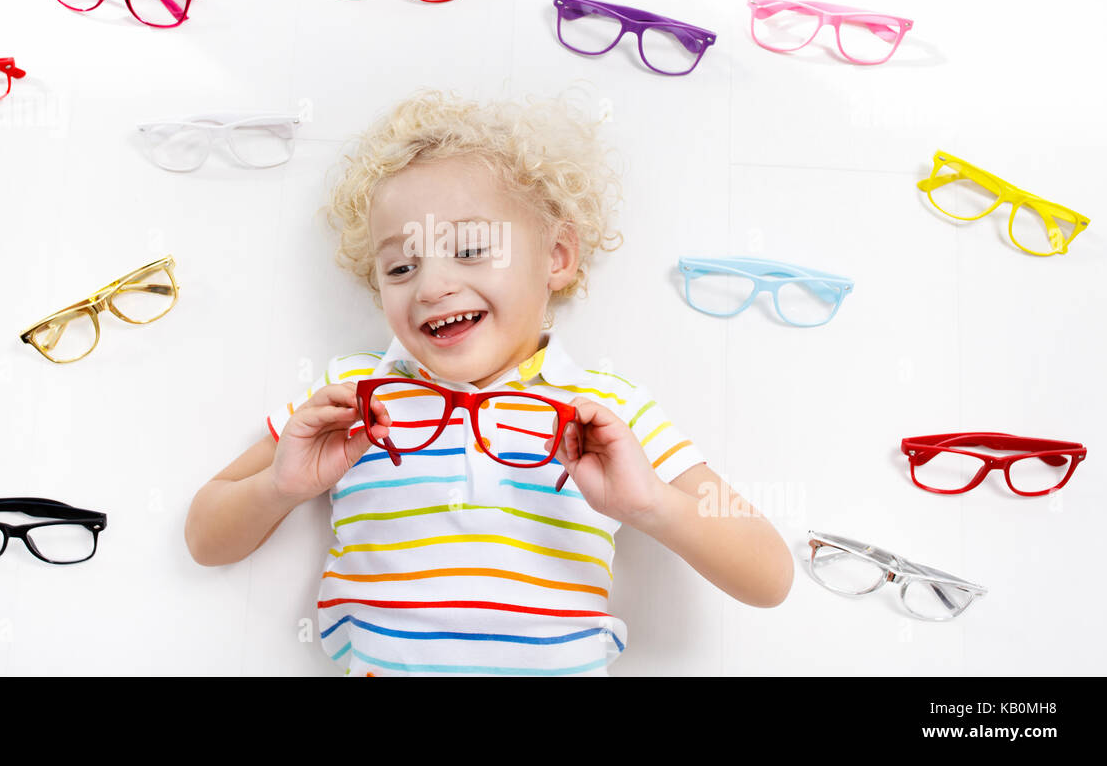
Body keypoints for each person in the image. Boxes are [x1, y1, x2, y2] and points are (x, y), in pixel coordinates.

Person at [186, 90, 793, 675]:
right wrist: (280, 487)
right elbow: (205, 538)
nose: (430, 287)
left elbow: (769, 575)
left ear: (556, 257)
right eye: (401, 265)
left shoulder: (605, 408)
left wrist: (653, 506)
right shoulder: (353, 392)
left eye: (471, 249)